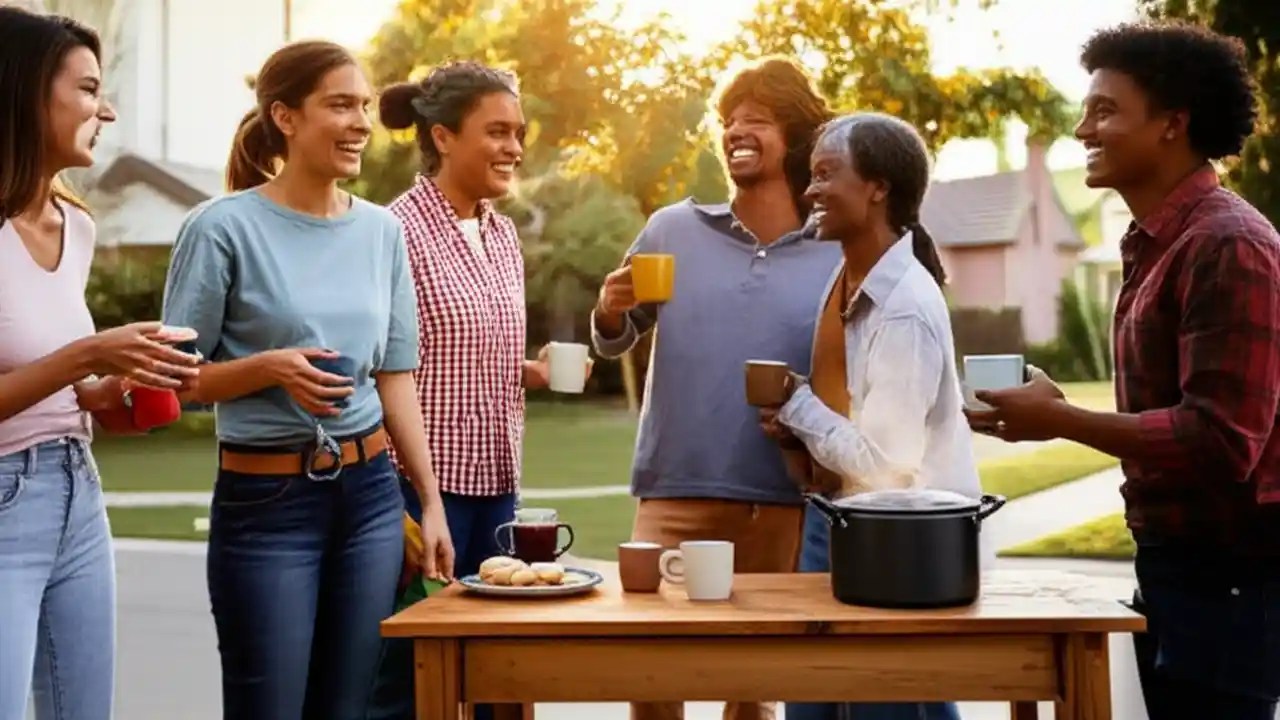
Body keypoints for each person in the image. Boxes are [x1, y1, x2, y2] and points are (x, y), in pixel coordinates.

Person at [965, 22, 1280, 720]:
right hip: (1174, 561)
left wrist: (1062, 420)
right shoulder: (1158, 242)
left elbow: (1223, 440)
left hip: (1228, 574)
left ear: (1173, 123)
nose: (1083, 129)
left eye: (1105, 111)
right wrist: (1056, 411)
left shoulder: (1228, 244)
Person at [160, 40, 453, 720]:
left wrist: (429, 501)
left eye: (364, 107)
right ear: (285, 117)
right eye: (340, 105)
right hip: (267, 506)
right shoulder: (221, 228)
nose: (360, 123)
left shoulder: (382, 231)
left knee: (349, 709)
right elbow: (172, 382)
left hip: (371, 500)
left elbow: (395, 377)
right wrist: (266, 368)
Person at [591, 56, 840, 720]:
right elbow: (616, 336)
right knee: (650, 677)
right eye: (729, 120)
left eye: (756, 119)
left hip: (782, 498)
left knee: (756, 687)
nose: (735, 131)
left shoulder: (834, 247)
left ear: (795, 135)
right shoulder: (673, 229)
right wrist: (610, 310)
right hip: (673, 490)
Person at [0, 8, 200, 720]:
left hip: (78, 494)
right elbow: (56, 361)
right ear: (26, 93)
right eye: (87, 89)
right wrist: (87, 353)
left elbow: (54, 380)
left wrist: (107, 389)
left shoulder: (76, 226)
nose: (106, 111)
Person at [370, 60, 573, 720]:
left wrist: (530, 370)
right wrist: (418, 502)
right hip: (417, 491)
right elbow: (383, 366)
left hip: (498, 486)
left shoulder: (501, 233)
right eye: (497, 132)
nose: (514, 148)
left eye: (518, 133)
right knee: (408, 680)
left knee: (500, 674)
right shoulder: (392, 232)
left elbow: (459, 348)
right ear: (442, 136)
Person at [760, 113, 978, 720]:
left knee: (893, 706)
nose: (811, 190)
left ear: (878, 187)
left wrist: (797, 405)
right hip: (837, 522)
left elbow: (886, 467)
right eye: (811, 175)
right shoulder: (848, 276)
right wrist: (796, 429)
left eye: (827, 174)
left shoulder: (902, 307)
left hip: (899, 545)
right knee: (812, 706)